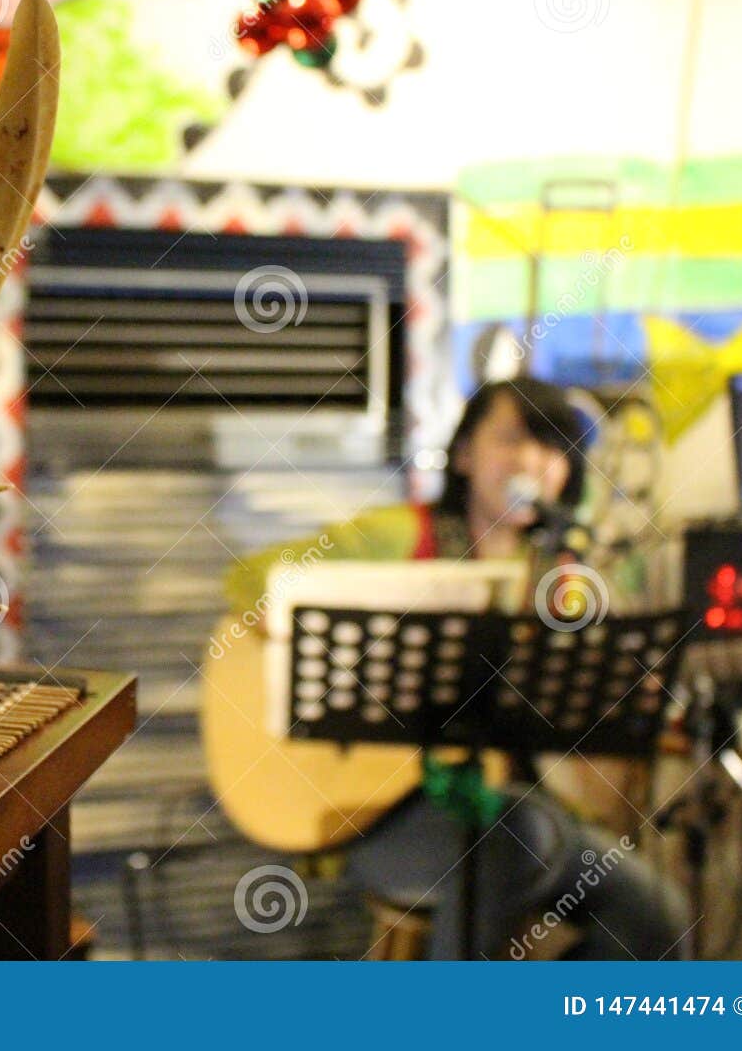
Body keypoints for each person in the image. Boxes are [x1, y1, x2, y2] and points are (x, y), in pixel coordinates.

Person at [223, 377, 688, 959]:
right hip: (381, 815)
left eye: (551, 446)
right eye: (511, 439)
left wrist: (617, 693)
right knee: (513, 837)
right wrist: (315, 634)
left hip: (517, 804)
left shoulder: (560, 580)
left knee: (653, 914)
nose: (531, 460)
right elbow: (246, 579)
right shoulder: (403, 534)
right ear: (464, 454)